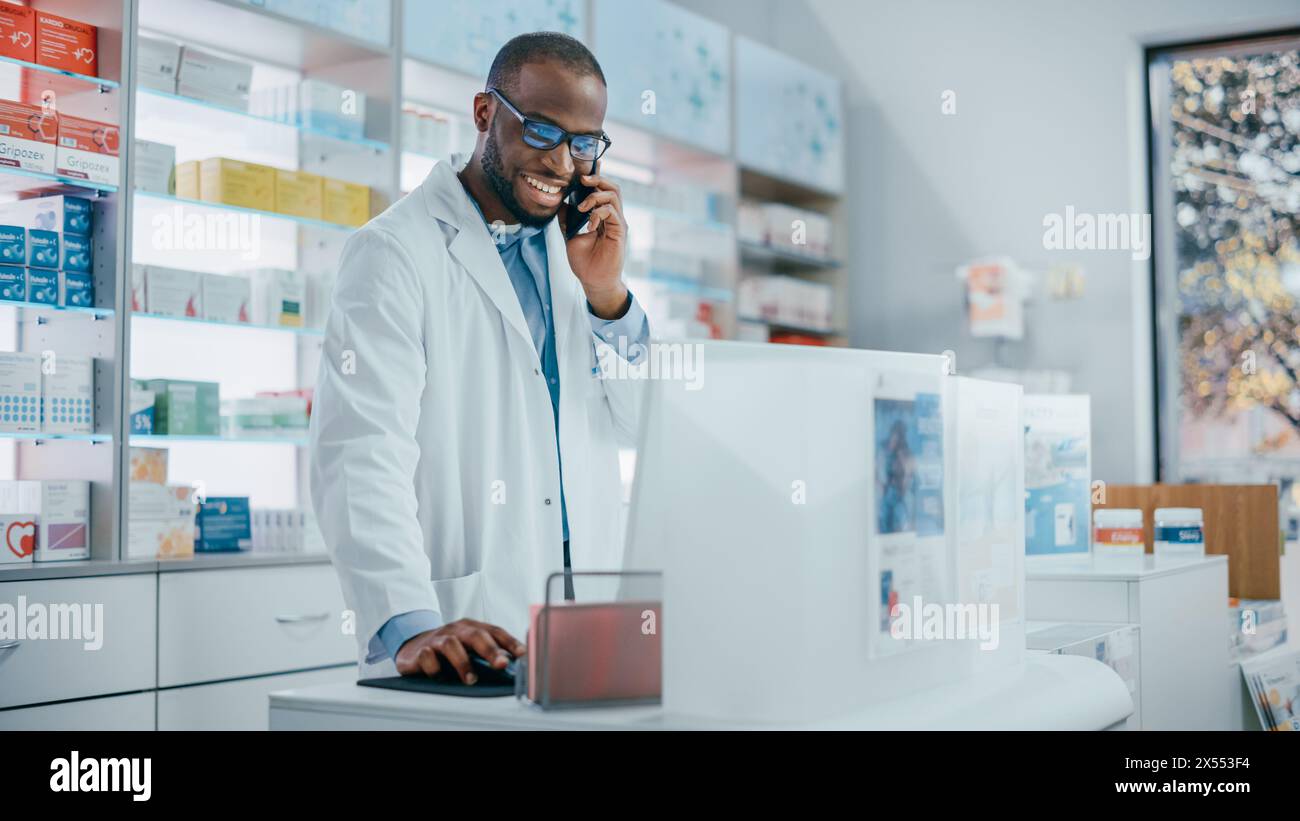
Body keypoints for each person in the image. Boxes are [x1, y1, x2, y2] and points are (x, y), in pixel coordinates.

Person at [310, 32, 648, 683]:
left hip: (592, 626)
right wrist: (410, 621)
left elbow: (638, 424)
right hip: (466, 627)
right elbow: (360, 449)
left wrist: (608, 294)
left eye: (583, 143)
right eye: (543, 130)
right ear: (485, 114)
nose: (561, 165)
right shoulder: (395, 251)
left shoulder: (576, 255)